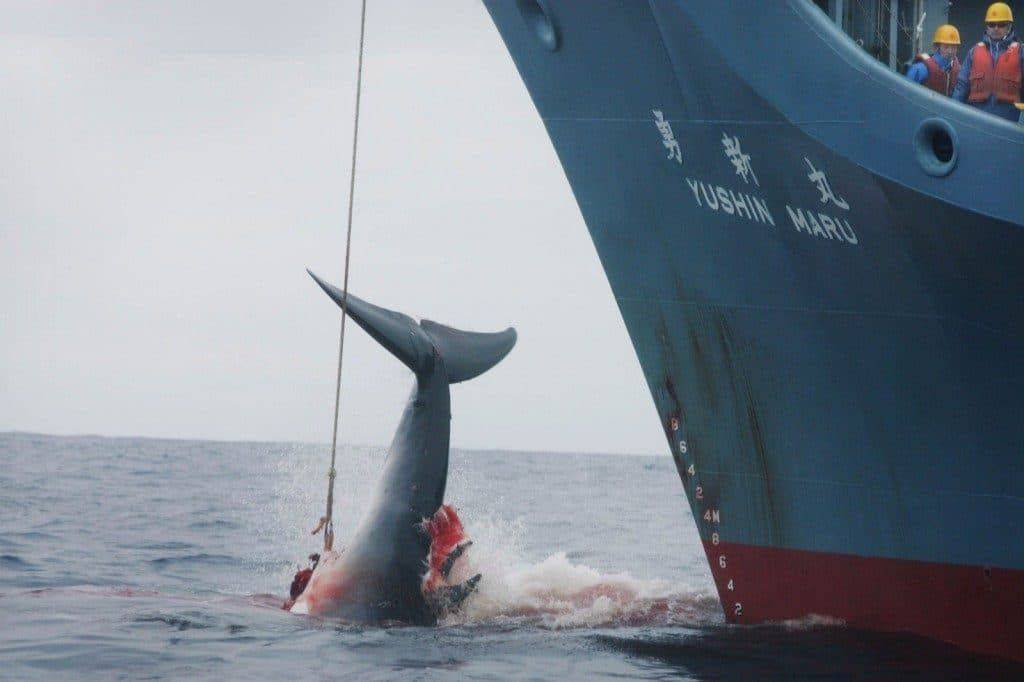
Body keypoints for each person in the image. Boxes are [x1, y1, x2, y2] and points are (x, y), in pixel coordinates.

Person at [952, 3, 1024, 122]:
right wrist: (952, 112)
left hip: (1010, 123)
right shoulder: (974, 52)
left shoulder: (1020, 52)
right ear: (987, 27)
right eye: (992, 24)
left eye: (1001, 25)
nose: (996, 28)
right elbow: (962, 86)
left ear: (1009, 26)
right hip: (977, 121)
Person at [906, 25, 962, 96]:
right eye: (946, 47)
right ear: (937, 47)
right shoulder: (920, 68)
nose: (950, 51)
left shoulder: (958, 70)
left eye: (954, 47)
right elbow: (907, 93)